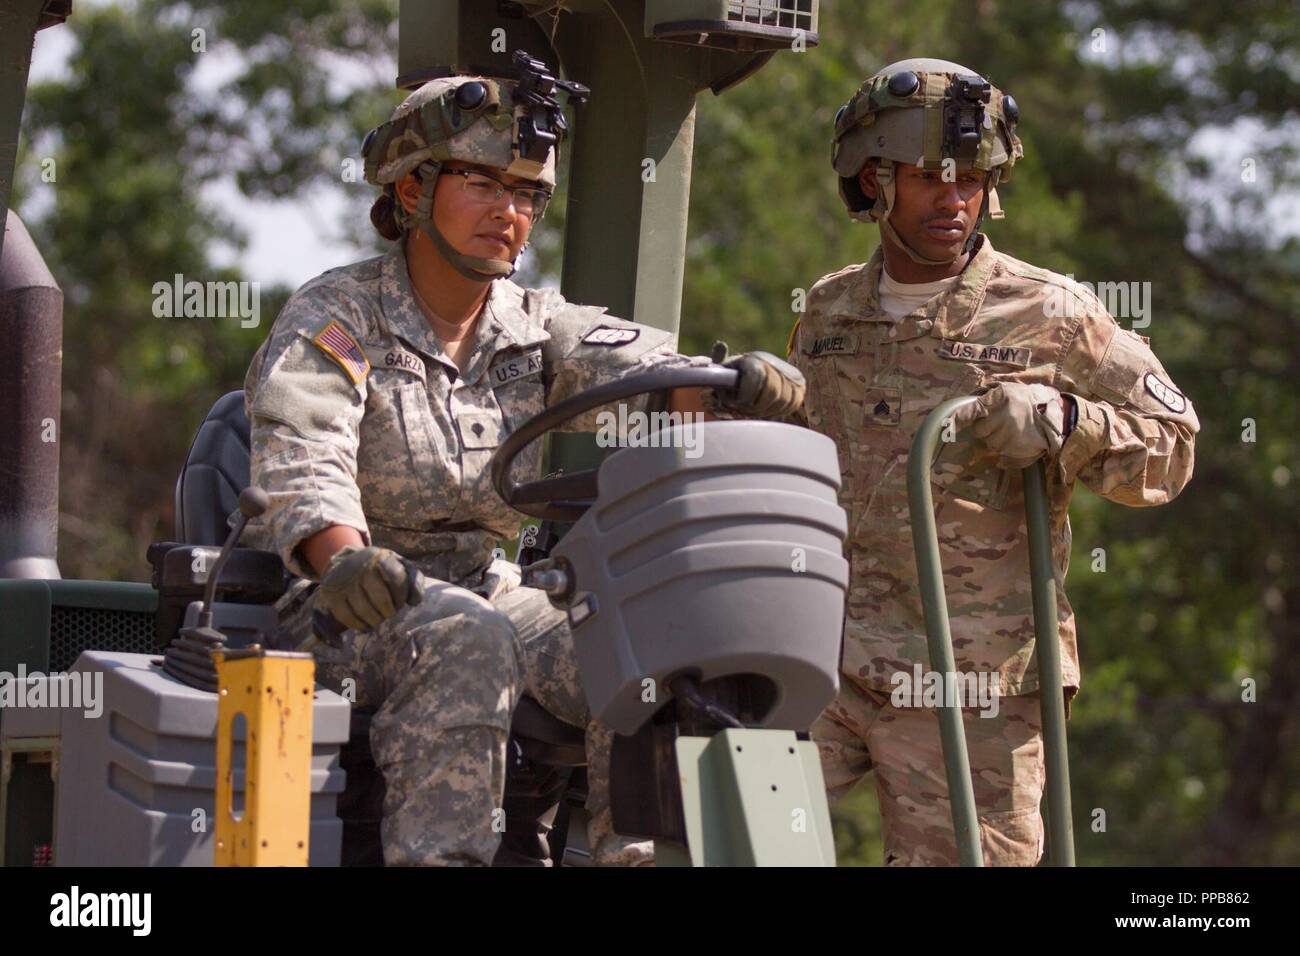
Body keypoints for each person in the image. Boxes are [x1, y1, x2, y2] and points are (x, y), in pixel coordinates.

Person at [241, 58, 805, 866]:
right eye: (484, 184)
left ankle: (642, 855)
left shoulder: (535, 326)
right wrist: (344, 557)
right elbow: (305, 451)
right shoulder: (336, 317)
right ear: (411, 191)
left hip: (486, 589)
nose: (510, 213)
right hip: (343, 608)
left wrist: (733, 385)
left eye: (529, 195)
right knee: (464, 635)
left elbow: (657, 377)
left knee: (651, 631)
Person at [787, 58, 1198, 865]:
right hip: (822, 660)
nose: (954, 199)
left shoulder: (1052, 312)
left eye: (971, 178)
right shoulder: (828, 309)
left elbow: (1173, 449)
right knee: (705, 828)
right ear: (874, 179)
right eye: (930, 177)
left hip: (970, 684)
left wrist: (1067, 421)